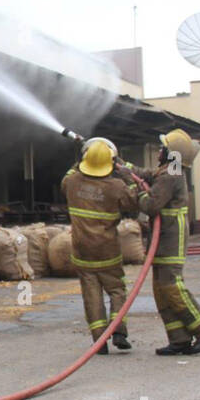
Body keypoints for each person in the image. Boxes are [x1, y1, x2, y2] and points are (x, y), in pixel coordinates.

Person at [138, 128, 200, 355]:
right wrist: (127, 169)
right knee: (161, 290)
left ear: (172, 154)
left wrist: (136, 192)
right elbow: (150, 174)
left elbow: (150, 205)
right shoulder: (169, 170)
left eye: (163, 148)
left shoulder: (171, 175)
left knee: (172, 287)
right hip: (163, 240)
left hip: (170, 239)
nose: (159, 151)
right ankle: (179, 338)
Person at [62, 138, 139, 353]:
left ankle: (99, 340)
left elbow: (66, 177)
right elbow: (134, 202)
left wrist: (81, 158)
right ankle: (118, 330)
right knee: (116, 289)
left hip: (81, 249)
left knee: (91, 293)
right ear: (111, 162)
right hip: (107, 250)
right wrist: (127, 176)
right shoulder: (116, 186)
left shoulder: (72, 181)